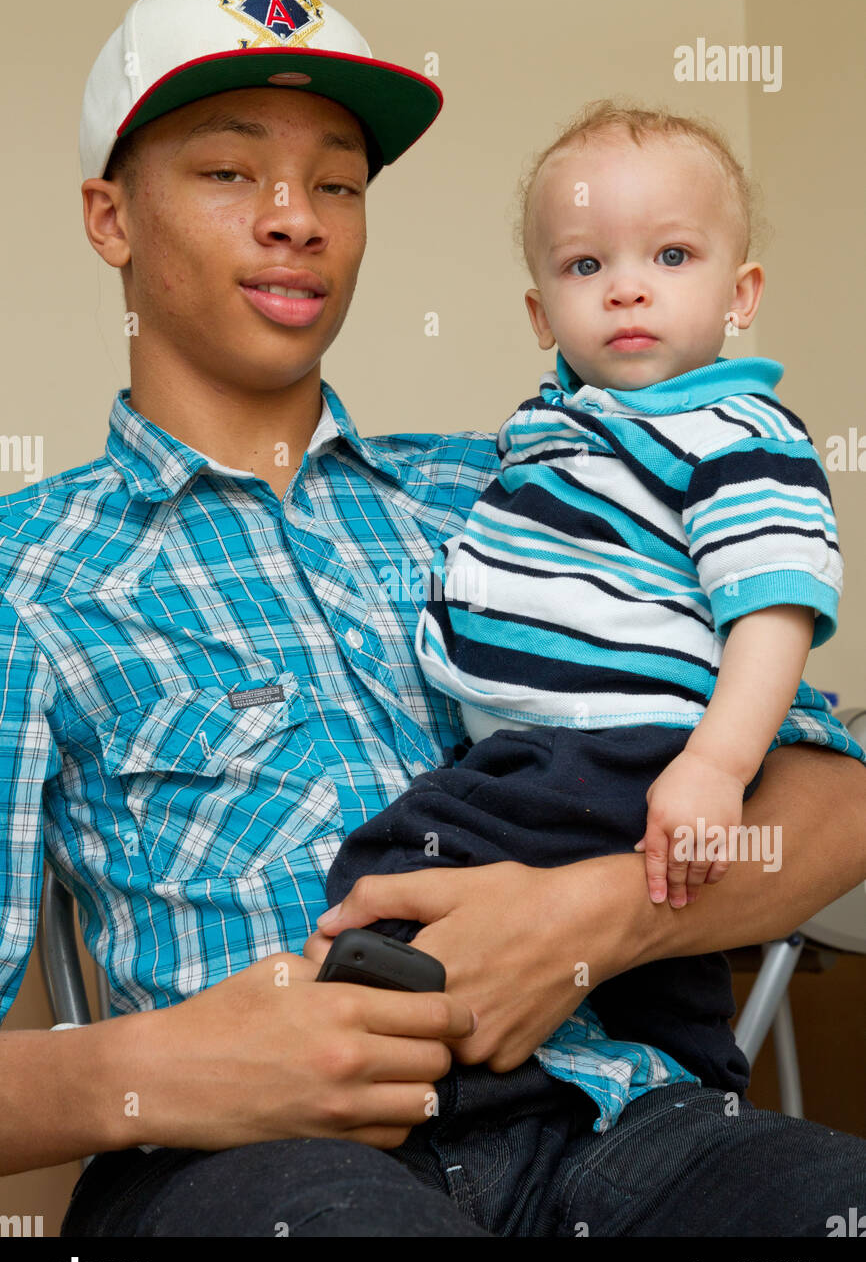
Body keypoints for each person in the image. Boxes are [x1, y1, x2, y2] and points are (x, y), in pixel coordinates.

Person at [0, 0, 864, 1237]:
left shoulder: (534, 482)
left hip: (617, 1123)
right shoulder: (28, 569)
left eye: (336, 183)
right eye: (232, 172)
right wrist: (158, 1070)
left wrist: (591, 917)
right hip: (249, 1170)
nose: (295, 218)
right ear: (109, 218)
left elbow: (833, 802)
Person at [323, 102, 866, 1134]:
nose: (624, 285)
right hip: (551, 754)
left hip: (618, 753)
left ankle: (375, 1030)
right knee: (657, 981)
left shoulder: (730, 428)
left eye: (670, 253)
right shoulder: (543, 429)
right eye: (583, 266)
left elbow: (773, 601)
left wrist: (712, 762)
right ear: (539, 315)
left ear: (738, 293)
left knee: (401, 861)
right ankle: (686, 1076)